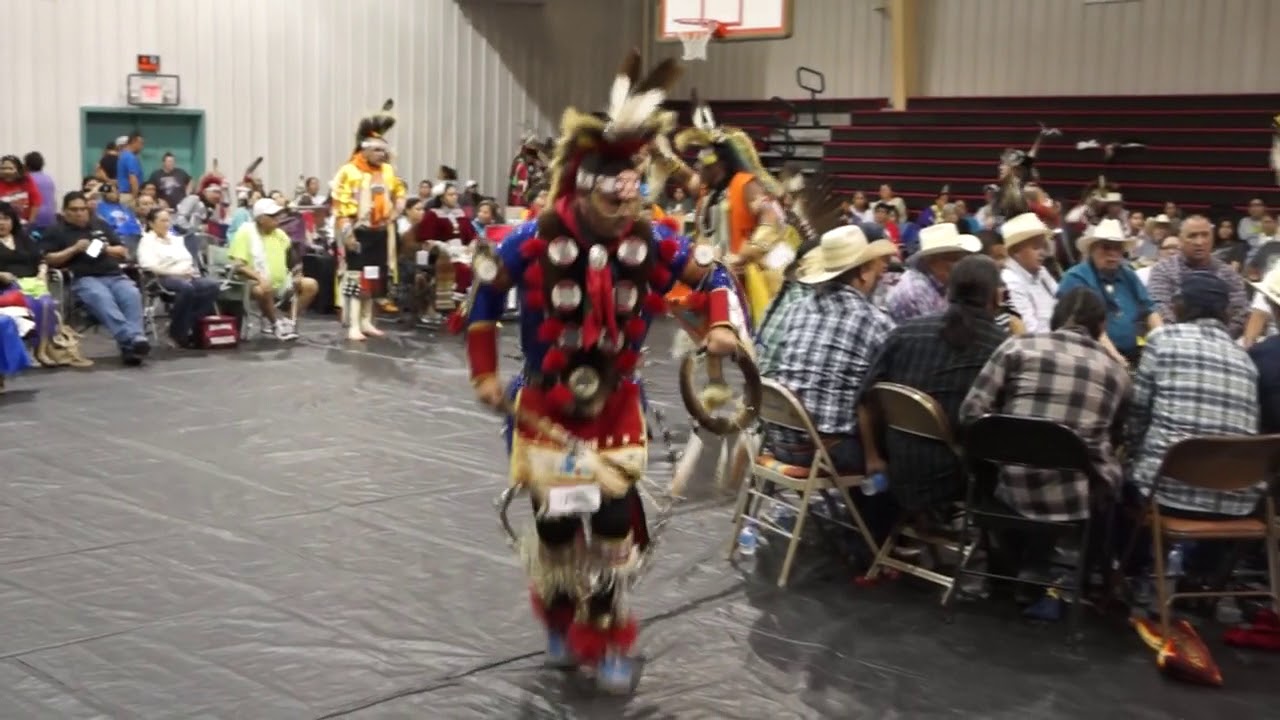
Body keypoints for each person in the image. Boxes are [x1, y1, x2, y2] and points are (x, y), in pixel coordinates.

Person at [462, 51, 738, 693]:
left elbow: (713, 273)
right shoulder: (530, 240)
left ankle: (608, 632)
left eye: (632, 194)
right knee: (557, 523)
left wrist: (720, 321)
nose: (624, 207)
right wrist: (483, 372)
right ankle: (563, 624)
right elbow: (482, 300)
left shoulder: (654, 237)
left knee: (613, 525)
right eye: (613, 195)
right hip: (546, 408)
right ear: (583, 187)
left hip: (615, 408)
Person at [860, 255, 1009, 515]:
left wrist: (873, 457)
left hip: (897, 471)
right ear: (996, 297)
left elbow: (866, 399)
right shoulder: (1002, 348)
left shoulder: (905, 333)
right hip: (959, 480)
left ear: (949, 292)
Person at [1127, 271, 1261, 519]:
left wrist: (1132, 454)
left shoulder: (1161, 339)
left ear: (1179, 307)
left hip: (1165, 491)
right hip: (1234, 500)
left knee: (1119, 482)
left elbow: (1137, 416)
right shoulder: (1246, 359)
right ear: (1227, 313)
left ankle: (1137, 558)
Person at [672, 103, 789, 328]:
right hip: (711, 271)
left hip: (743, 275)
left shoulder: (745, 184)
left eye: (702, 166)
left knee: (748, 343)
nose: (698, 170)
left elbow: (770, 217)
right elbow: (686, 178)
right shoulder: (708, 190)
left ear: (719, 167)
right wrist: (662, 154)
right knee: (704, 339)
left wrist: (747, 253)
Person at [42, 191, 150, 364]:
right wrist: (74, 249)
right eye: (74, 209)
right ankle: (131, 338)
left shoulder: (99, 224)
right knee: (101, 297)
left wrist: (105, 248)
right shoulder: (56, 231)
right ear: (65, 211)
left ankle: (133, 343)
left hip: (113, 274)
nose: (79, 213)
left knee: (132, 294)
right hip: (84, 278)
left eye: (83, 209)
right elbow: (48, 259)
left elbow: (122, 251)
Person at [331, 101, 406, 340]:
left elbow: (397, 190)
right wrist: (347, 233)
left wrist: (398, 207)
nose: (382, 154)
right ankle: (353, 323)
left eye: (383, 151)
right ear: (363, 150)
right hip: (358, 230)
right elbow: (340, 205)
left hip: (380, 231)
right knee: (355, 276)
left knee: (373, 277)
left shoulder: (386, 171)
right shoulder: (349, 171)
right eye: (377, 150)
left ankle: (366, 321)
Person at [1057, 218, 1161, 365]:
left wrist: (1162, 343)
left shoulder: (1128, 274)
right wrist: (1117, 359)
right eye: (1106, 247)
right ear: (1092, 250)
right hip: (1091, 356)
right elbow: (1088, 326)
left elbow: (1150, 309)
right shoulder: (1076, 278)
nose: (1112, 253)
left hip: (1132, 352)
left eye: (1117, 248)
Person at [228, 198, 320, 341]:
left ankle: (287, 321)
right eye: (272, 216)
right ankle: (275, 324)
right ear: (261, 219)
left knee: (311, 285)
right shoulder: (245, 233)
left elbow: (294, 260)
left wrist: (297, 274)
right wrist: (259, 278)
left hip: (282, 282)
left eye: (277, 215)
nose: (277, 219)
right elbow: (239, 264)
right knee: (263, 288)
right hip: (254, 283)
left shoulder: (280, 234)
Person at [1146, 214, 1249, 338]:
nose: (1199, 242)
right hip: (1176, 340)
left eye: (1205, 235)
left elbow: (1240, 312)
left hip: (1220, 341)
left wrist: (1219, 338)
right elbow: (1159, 307)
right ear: (1180, 239)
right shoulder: (1162, 269)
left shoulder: (1228, 273)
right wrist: (1183, 338)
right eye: (1192, 236)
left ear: (1212, 238)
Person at [136, 208, 221, 348]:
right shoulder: (147, 241)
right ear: (151, 223)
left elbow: (187, 259)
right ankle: (178, 333)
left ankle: (182, 326)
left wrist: (190, 271)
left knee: (212, 285)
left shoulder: (176, 239)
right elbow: (149, 266)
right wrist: (177, 274)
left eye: (168, 220)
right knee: (187, 288)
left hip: (186, 275)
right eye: (162, 221)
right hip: (162, 277)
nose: (166, 224)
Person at [886, 223, 981, 322]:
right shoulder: (916, 289)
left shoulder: (941, 283)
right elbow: (931, 333)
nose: (960, 264)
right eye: (954, 259)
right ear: (931, 261)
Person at [999, 212, 1058, 332]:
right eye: (1036, 247)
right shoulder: (1010, 281)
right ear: (1016, 251)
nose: (1042, 253)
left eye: (1043, 246)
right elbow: (1030, 330)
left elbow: (1062, 302)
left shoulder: (1042, 272)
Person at [0, 155, 41, 225]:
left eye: (10, 168)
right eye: (3, 168)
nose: (6, 171)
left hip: (22, 224)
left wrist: (30, 222)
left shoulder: (26, 181)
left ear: (18, 169)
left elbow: (36, 202)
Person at [116, 133, 145, 205]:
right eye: (141, 144)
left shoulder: (123, 156)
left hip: (123, 194)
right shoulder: (130, 158)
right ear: (134, 142)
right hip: (129, 196)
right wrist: (135, 197)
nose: (142, 147)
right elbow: (133, 177)